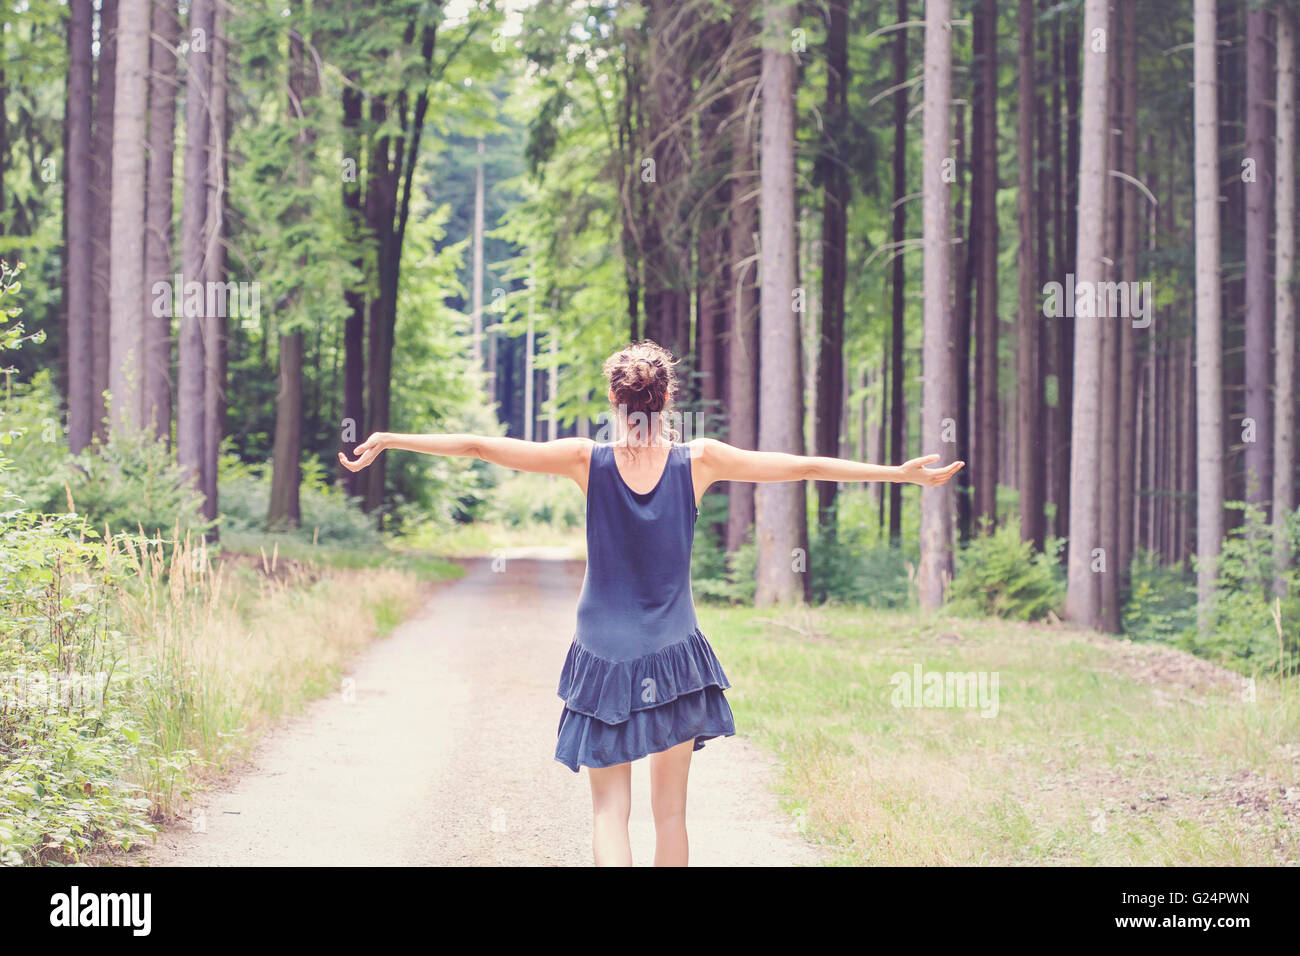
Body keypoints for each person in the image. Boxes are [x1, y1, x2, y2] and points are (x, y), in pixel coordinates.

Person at [339, 339, 964, 866]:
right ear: (666, 400)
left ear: (616, 401)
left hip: (601, 653)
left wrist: (392, 439)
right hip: (673, 655)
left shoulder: (586, 460)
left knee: (611, 812)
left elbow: (479, 446)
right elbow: (801, 467)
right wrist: (898, 475)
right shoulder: (701, 460)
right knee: (672, 815)